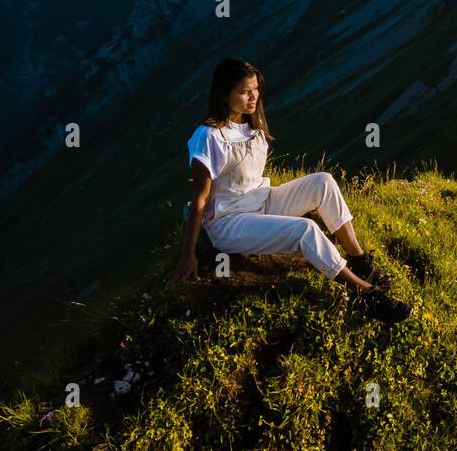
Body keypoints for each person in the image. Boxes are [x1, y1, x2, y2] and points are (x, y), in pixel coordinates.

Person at [168, 58, 411, 323]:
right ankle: (365, 294)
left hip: (261, 200)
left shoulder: (252, 126)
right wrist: (187, 255)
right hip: (229, 221)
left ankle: (359, 259)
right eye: (244, 92)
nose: (253, 97)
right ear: (224, 95)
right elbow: (200, 198)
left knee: (323, 181)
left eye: (255, 89)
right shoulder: (210, 136)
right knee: (304, 229)